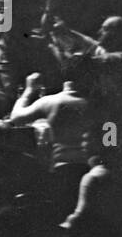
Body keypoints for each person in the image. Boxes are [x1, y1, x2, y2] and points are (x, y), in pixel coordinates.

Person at [8, 69, 92, 220]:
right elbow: (110, 138)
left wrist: (28, 90)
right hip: (90, 169)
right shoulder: (99, 104)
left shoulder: (50, 101)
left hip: (61, 171)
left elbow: (16, 117)